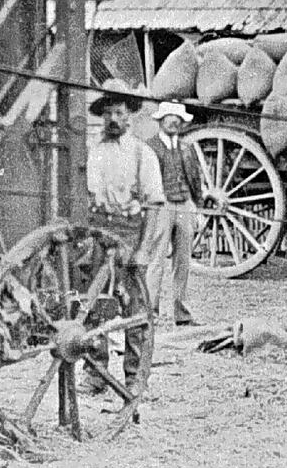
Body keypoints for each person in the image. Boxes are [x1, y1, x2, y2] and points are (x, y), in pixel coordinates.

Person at [85, 79, 164, 395]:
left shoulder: (142, 154)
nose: (113, 120)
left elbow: (155, 204)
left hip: (130, 233)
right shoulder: (93, 151)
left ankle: (135, 376)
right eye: (107, 114)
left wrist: (144, 250)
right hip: (99, 234)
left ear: (129, 116)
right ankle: (95, 372)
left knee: (134, 310)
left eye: (118, 112)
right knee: (92, 305)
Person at [145, 101, 203, 326]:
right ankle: (151, 312)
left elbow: (195, 179)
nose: (174, 121)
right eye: (169, 117)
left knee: (183, 260)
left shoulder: (188, 148)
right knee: (156, 259)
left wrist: (196, 207)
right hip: (161, 205)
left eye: (177, 118)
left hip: (185, 203)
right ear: (160, 120)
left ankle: (182, 313)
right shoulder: (150, 146)